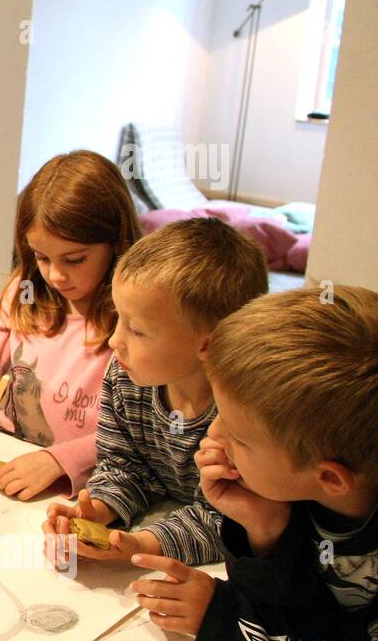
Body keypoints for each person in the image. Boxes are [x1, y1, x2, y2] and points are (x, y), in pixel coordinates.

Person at [131, 286, 378, 641]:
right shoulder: (303, 488)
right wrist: (264, 527)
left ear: (331, 479)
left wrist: (223, 618)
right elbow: (305, 607)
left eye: (239, 437)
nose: (213, 436)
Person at [45, 218, 267, 567]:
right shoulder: (126, 375)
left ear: (207, 343)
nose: (115, 340)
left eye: (137, 330)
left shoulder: (246, 416)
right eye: (118, 318)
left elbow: (231, 521)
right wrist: (98, 511)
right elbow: (124, 467)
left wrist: (140, 546)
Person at [0, 150, 141, 499]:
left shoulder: (134, 318)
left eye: (75, 259)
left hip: (87, 490)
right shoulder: (24, 292)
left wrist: (59, 461)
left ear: (116, 242)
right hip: (7, 464)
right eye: (42, 257)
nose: (56, 274)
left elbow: (136, 436)